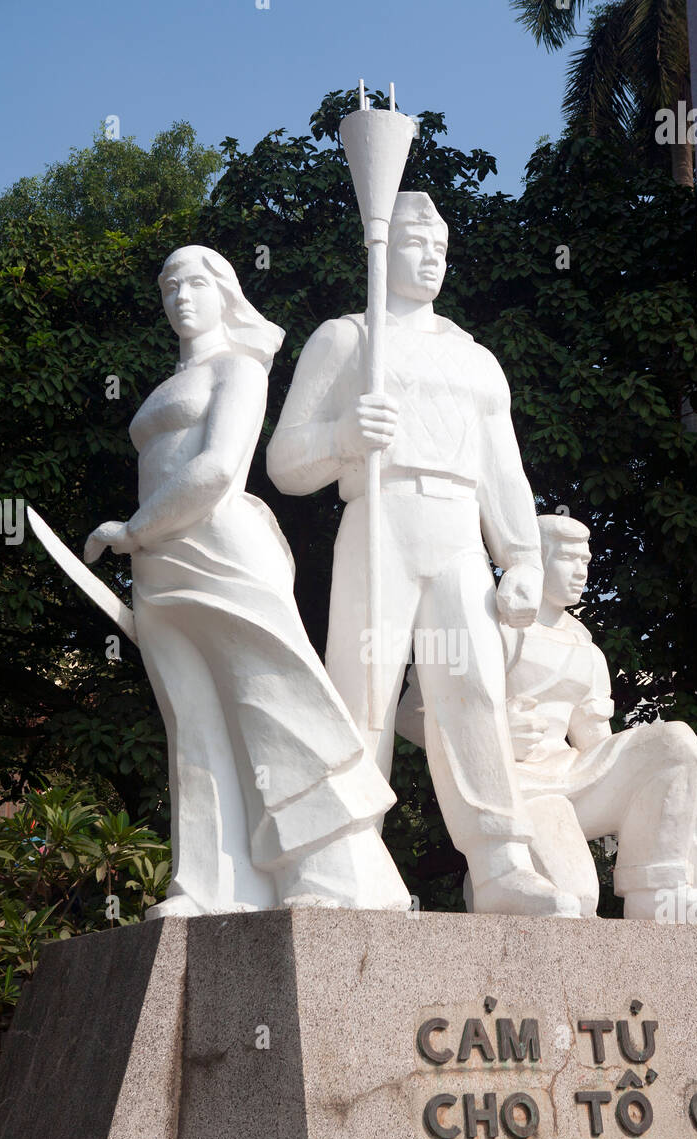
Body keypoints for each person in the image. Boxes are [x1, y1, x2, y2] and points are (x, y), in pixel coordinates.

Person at [267, 194, 576, 916]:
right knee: (362, 693)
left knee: (472, 691)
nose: (431, 256)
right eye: (414, 241)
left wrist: (522, 556)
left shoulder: (474, 359)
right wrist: (344, 433)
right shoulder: (345, 340)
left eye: (439, 244)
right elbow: (285, 463)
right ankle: (347, 851)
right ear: (381, 250)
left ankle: (500, 862)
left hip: (457, 529)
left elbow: (504, 471)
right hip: (380, 517)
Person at [84, 245, 409, 915]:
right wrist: (142, 542)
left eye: (197, 282)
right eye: (169, 284)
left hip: (219, 547)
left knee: (276, 706)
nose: (181, 295)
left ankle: (334, 875)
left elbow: (216, 469)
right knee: (194, 726)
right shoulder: (172, 382)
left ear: (226, 293)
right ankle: (207, 886)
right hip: (158, 563)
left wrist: (133, 530)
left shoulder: (239, 368)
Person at [501, 514, 697, 923]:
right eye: (571, 560)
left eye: (587, 561)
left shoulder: (586, 650)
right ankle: (500, 875)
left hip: (574, 775)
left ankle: (657, 891)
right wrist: (497, 732)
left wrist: (686, 805)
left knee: (676, 741)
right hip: (521, 786)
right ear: (537, 561)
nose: (583, 572)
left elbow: (597, 747)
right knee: (576, 900)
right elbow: (415, 718)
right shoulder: (494, 629)